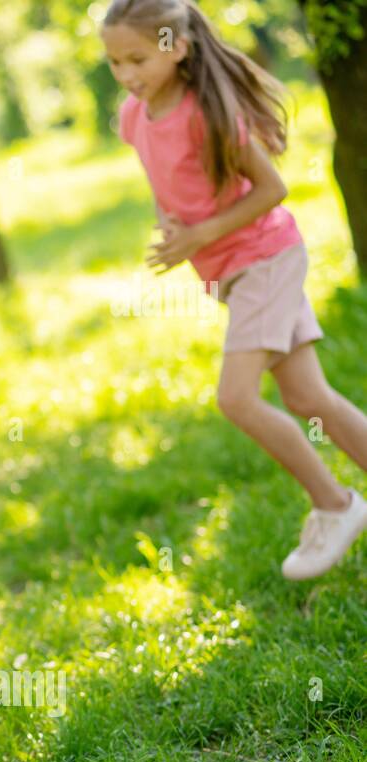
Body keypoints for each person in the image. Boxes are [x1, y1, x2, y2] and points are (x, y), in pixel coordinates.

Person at [103, 0, 367, 580]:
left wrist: (199, 233)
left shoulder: (207, 112)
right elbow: (162, 177)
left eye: (138, 59)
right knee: (308, 397)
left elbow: (272, 188)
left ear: (177, 47)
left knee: (237, 398)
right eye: (115, 63)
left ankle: (337, 506)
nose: (126, 75)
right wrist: (172, 229)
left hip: (266, 260)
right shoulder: (134, 115)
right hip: (231, 269)